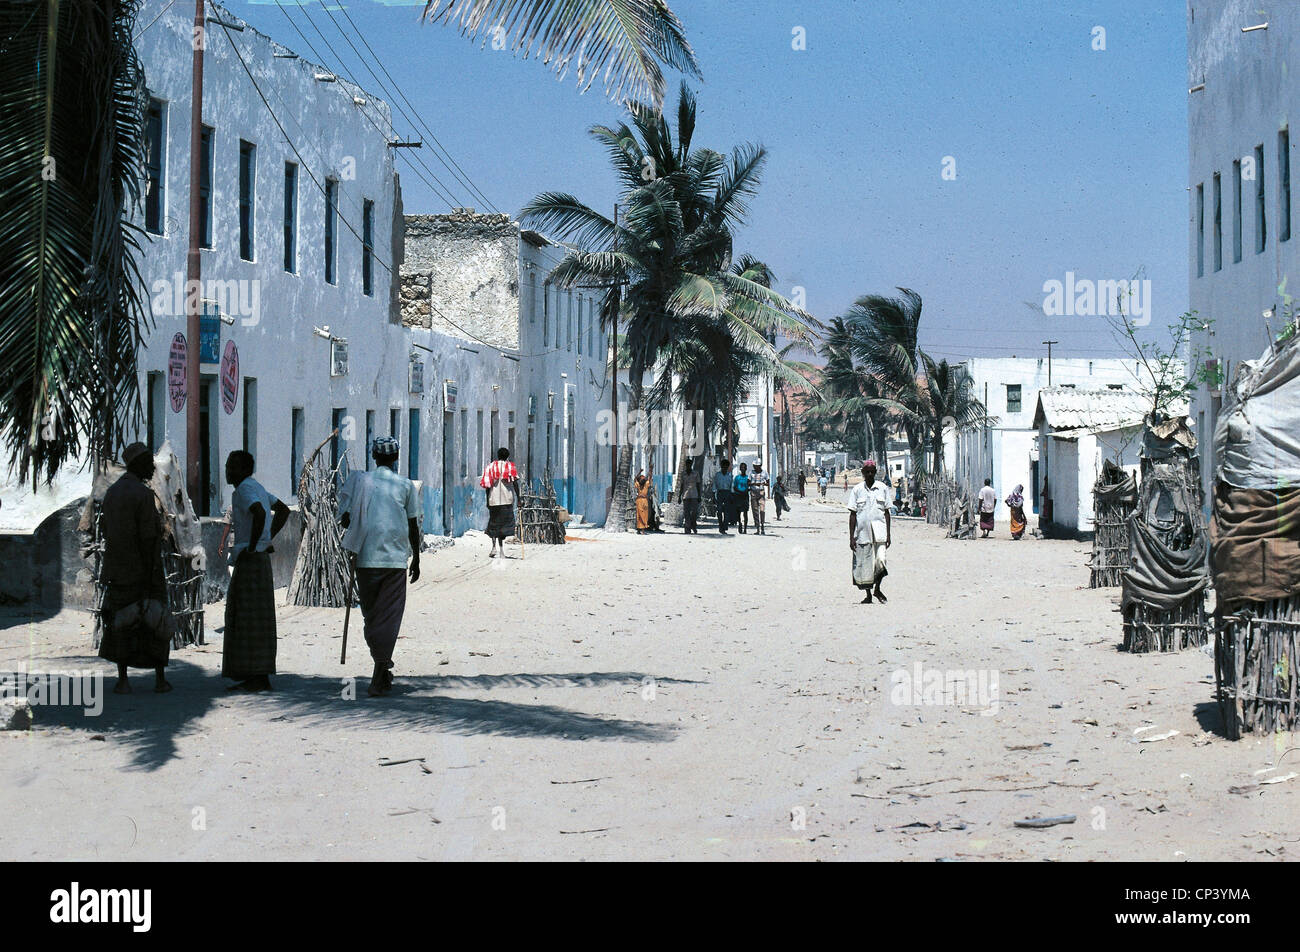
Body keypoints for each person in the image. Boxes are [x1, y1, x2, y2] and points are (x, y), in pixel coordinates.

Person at [340, 437, 421, 697]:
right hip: (395, 560)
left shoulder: (361, 483)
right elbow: (412, 525)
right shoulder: (406, 485)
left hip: (366, 559)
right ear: (395, 458)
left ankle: (381, 668)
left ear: (374, 457)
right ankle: (381, 667)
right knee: (389, 617)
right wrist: (417, 557)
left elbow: (345, 519)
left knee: (372, 616)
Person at [98, 442, 171, 695]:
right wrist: (152, 574)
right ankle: (160, 680)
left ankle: (123, 680)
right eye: (149, 463)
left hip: (117, 571)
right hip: (142, 569)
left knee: (121, 624)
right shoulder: (142, 494)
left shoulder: (112, 493)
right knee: (155, 622)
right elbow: (148, 538)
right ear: (138, 464)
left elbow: (107, 532)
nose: (152, 467)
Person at [223, 450, 290, 692]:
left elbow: (261, 513)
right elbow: (283, 510)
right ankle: (256, 673)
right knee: (256, 617)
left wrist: (253, 544)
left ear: (241, 469)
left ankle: (255, 674)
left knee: (245, 616)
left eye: (231, 466)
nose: (227, 470)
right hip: (260, 558)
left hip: (251, 559)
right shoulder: (257, 487)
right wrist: (266, 538)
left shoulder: (245, 490)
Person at [847, 460, 892, 604]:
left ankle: (877, 588)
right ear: (863, 473)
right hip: (862, 533)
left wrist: (889, 535)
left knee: (881, 561)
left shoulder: (883, 488)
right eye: (867, 472)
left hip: (880, 532)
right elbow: (853, 514)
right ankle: (868, 595)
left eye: (872, 471)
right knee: (865, 565)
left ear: (875, 472)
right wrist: (851, 537)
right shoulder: (857, 490)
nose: (870, 474)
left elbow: (887, 513)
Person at [479, 447, 520, 557]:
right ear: (507, 456)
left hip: (494, 500)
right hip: (507, 500)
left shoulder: (491, 467)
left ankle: (493, 548)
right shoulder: (510, 467)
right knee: (504, 526)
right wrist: (519, 499)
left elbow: (487, 485)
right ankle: (501, 549)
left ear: (498, 455)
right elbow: (515, 484)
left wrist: (488, 499)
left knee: (494, 524)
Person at [712, 459, 734, 534]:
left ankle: (725, 526)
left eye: (726, 467)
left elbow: (732, 485)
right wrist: (713, 496)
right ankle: (720, 525)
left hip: (727, 493)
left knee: (727, 511)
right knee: (719, 511)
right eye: (723, 467)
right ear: (721, 467)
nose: (724, 468)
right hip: (720, 493)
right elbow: (714, 485)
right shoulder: (717, 475)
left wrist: (732, 495)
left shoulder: (730, 475)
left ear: (727, 467)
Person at [680, 459, 701, 534]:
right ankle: (687, 528)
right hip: (686, 495)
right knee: (686, 512)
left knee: (694, 512)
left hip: (694, 494)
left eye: (690, 464)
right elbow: (682, 485)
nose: (688, 466)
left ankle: (693, 524)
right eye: (687, 464)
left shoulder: (696, 473)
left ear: (691, 465)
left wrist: (699, 495)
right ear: (686, 465)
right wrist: (680, 496)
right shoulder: (683, 474)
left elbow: (698, 484)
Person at [750, 462, 770, 535]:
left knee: (762, 510)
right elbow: (748, 483)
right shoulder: (751, 473)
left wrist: (762, 483)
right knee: (755, 511)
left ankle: (762, 525)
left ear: (760, 466)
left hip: (761, 493)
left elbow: (768, 483)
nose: (755, 467)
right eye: (754, 466)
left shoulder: (765, 473)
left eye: (756, 466)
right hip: (753, 492)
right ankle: (757, 527)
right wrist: (754, 484)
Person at [733, 463, 751, 533]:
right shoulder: (737, 478)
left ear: (746, 469)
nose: (743, 469)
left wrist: (747, 490)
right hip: (738, 496)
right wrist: (739, 491)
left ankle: (745, 528)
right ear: (740, 469)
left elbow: (750, 486)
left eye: (744, 468)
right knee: (738, 512)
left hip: (745, 496)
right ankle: (740, 523)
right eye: (742, 468)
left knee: (745, 513)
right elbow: (734, 487)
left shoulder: (748, 478)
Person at [634, 466, 652, 534]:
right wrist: (640, 472)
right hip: (640, 500)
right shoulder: (639, 485)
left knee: (643, 515)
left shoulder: (645, 485)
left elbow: (649, 478)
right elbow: (635, 479)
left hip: (642, 500)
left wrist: (650, 471)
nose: (643, 478)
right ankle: (639, 529)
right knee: (639, 515)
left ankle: (642, 530)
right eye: (641, 477)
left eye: (643, 477)